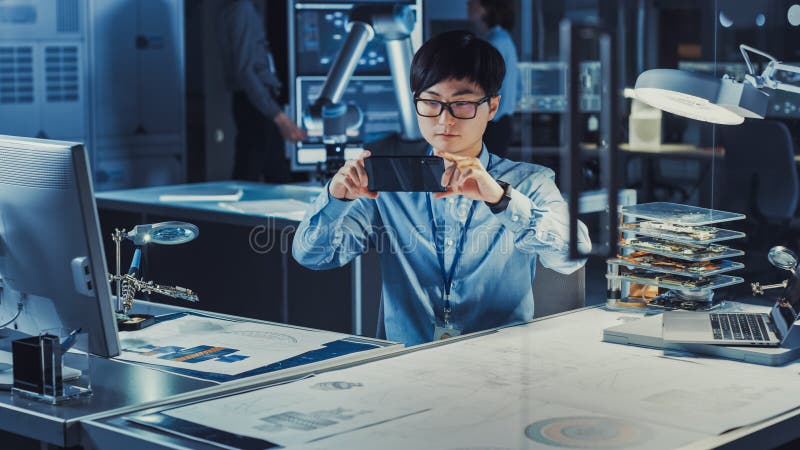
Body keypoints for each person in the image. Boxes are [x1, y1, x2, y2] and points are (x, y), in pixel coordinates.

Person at [293, 30, 590, 346]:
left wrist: (500, 198)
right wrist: (335, 199)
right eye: (431, 102)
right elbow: (313, 257)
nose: (444, 120)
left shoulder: (529, 181)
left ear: (492, 107)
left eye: (462, 104)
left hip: (501, 362)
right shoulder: (386, 183)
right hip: (409, 361)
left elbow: (573, 256)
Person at [217, 0, 306, 182]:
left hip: (255, 100)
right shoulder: (241, 9)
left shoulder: (235, 9)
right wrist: (280, 118)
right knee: (251, 170)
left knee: (274, 173)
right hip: (255, 102)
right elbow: (245, 72)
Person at [467, 0, 521, 158]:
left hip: (491, 124)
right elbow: (518, 89)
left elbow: (478, 87)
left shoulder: (492, 43)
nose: (467, 5)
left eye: (472, 2)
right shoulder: (503, 39)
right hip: (500, 123)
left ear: (485, 9)